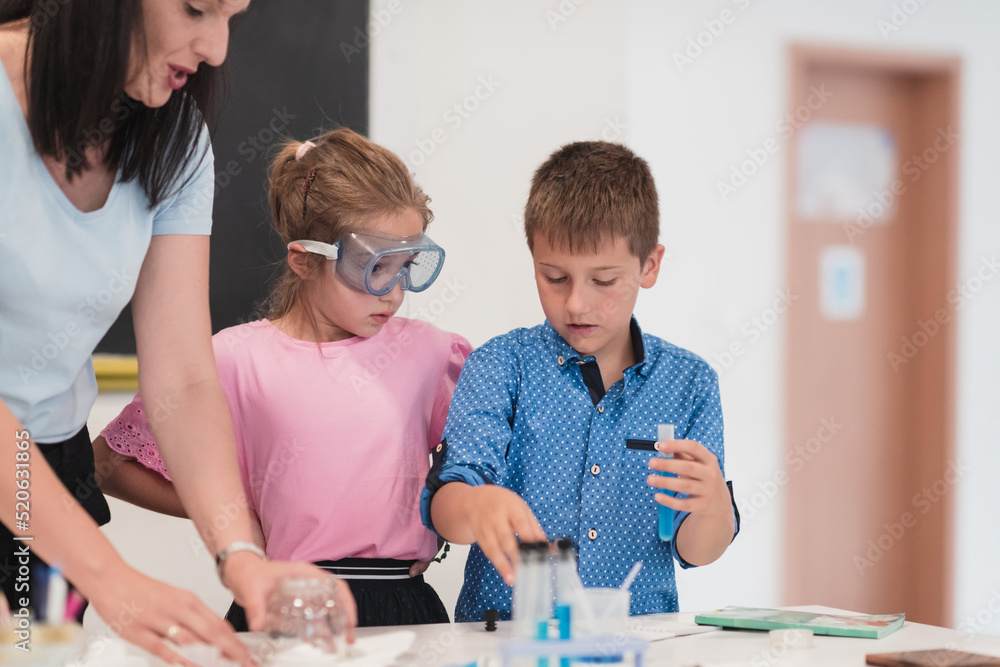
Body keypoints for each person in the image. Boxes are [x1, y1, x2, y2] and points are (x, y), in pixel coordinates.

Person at [0, 2, 353, 663]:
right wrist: (110, 578)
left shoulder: (174, 138)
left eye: (231, 18)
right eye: (195, 9)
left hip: (49, 471)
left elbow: (184, 379)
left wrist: (242, 556)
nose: (216, 49)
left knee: (38, 653)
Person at [92, 128, 472, 628]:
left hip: (405, 609)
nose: (393, 293)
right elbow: (108, 464)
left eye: (406, 267)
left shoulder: (431, 352)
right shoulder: (231, 359)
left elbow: (485, 453)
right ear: (305, 259)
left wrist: (442, 507)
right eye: (375, 268)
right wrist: (233, 519)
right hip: (281, 606)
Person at [420, 141, 741, 622]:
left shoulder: (689, 384)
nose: (576, 304)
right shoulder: (499, 366)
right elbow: (447, 506)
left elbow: (694, 549)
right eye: (554, 277)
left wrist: (714, 507)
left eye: (604, 281)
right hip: (507, 642)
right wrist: (472, 505)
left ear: (649, 265)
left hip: (638, 643)